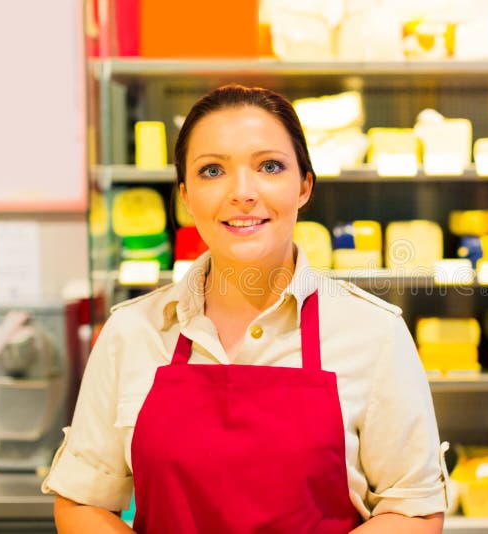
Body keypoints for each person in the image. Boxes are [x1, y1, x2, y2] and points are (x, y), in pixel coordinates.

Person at [42, 84, 448, 533]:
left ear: (304, 186)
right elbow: (82, 503)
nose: (242, 192)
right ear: (184, 195)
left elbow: (412, 509)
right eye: (212, 170)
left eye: (269, 166)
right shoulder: (131, 332)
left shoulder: (373, 333)